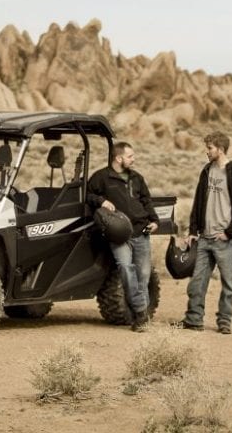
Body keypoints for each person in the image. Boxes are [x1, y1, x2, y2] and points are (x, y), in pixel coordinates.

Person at [179, 131, 232, 335]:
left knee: (228, 284)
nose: (207, 151)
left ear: (220, 149)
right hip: (204, 238)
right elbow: (198, 203)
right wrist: (193, 231)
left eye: (210, 148)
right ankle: (194, 320)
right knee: (197, 282)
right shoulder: (206, 171)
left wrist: (229, 233)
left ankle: (224, 322)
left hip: (223, 240)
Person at [88, 141, 159, 332]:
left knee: (143, 275)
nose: (133, 159)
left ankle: (141, 317)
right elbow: (88, 195)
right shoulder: (101, 177)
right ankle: (141, 312)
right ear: (119, 159)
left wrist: (154, 220)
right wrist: (101, 201)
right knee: (126, 269)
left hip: (142, 231)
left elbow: (146, 200)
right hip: (119, 234)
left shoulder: (137, 178)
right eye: (130, 156)